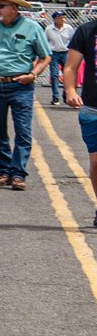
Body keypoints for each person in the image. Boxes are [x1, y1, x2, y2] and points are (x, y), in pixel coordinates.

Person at [0, 0, 49, 191]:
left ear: (14, 8)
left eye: (0, 6)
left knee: (23, 131)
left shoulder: (32, 28)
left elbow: (45, 57)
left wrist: (32, 75)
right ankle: (3, 170)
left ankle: (18, 173)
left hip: (20, 85)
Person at [62, 16, 97, 228]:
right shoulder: (87, 30)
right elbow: (70, 67)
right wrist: (70, 90)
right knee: (96, 162)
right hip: (93, 108)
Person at [45, 10, 73, 105]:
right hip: (53, 53)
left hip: (65, 53)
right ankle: (55, 97)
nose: (62, 19)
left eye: (63, 17)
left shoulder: (68, 28)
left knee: (67, 75)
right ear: (54, 19)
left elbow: (73, 40)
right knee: (54, 75)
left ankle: (67, 95)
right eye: (60, 18)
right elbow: (45, 41)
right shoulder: (49, 29)